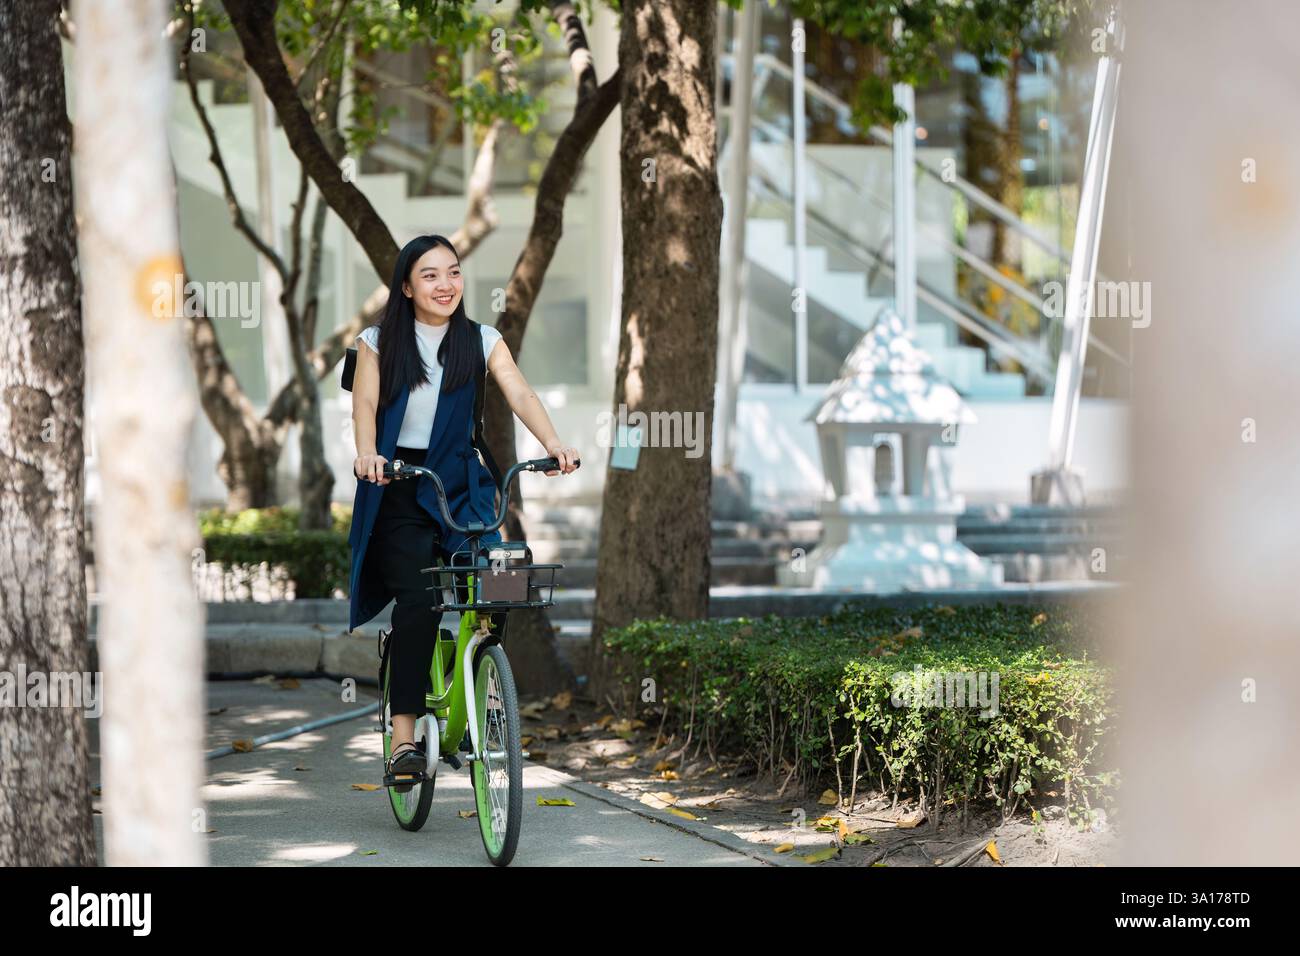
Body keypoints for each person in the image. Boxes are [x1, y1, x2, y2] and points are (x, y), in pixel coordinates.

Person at [347, 234, 578, 779]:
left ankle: (483, 684)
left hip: (463, 482)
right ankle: (404, 739)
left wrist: (554, 445)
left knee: (504, 580)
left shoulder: (481, 338)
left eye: (452, 273)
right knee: (418, 602)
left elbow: (519, 392)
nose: (445, 284)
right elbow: (363, 404)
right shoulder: (377, 342)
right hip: (399, 481)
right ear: (406, 287)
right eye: (429, 275)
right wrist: (367, 455)